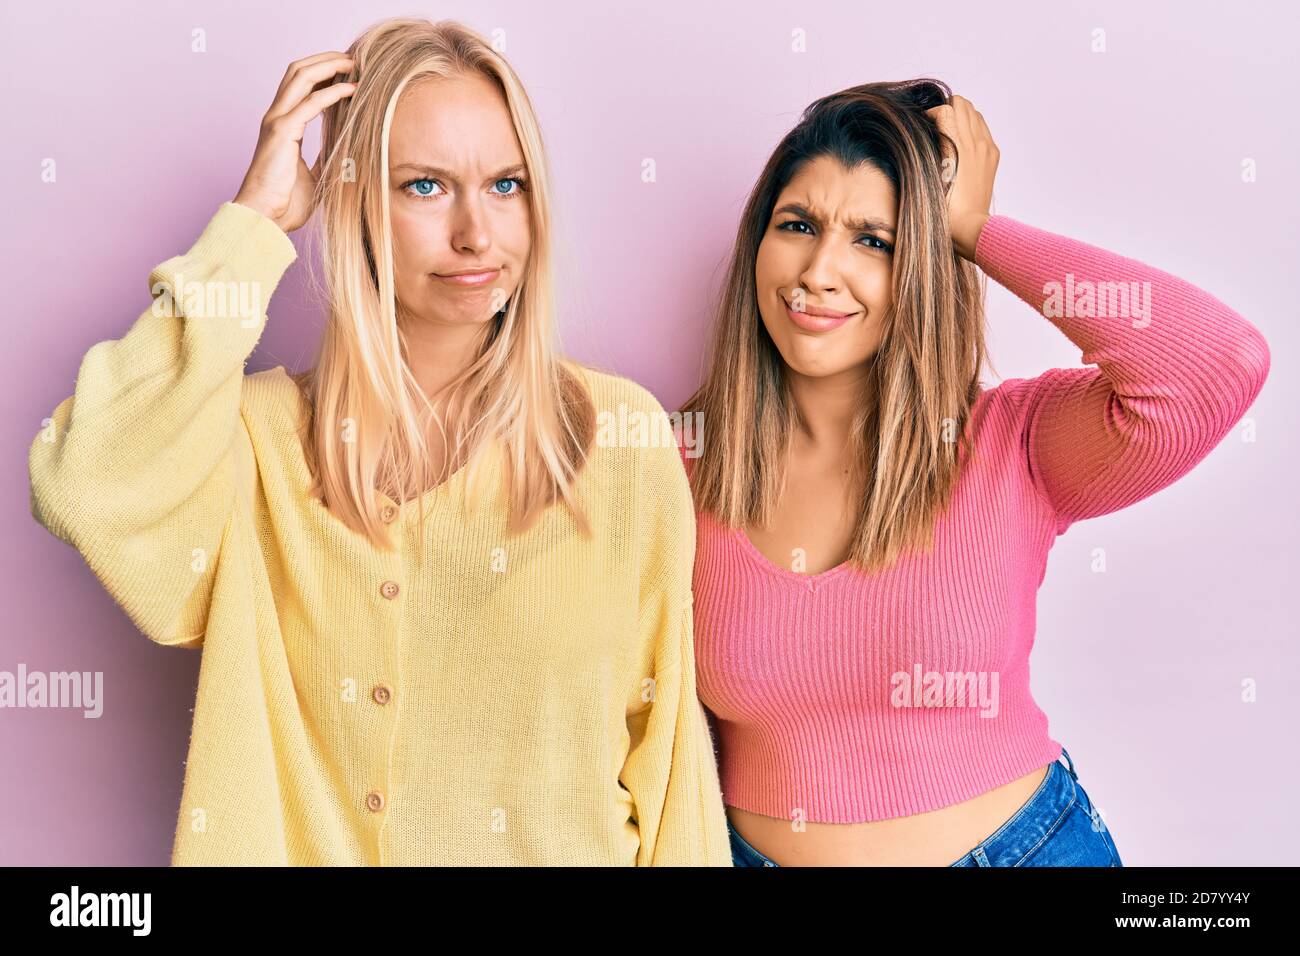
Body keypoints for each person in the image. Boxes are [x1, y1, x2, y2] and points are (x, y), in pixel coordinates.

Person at [28, 17, 730, 866]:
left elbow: (672, 781)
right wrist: (253, 226)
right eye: (425, 187)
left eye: (506, 185)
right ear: (355, 201)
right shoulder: (250, 447)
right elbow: (87, 484)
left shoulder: (620, 445)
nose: (478, 233)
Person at [677, 79, 1270, 866]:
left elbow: (1216, 361)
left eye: (874, 240)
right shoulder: (676, 465)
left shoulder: (1013, 442)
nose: (819, 270)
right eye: (798, 225)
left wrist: (971, 227)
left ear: (925, 263)